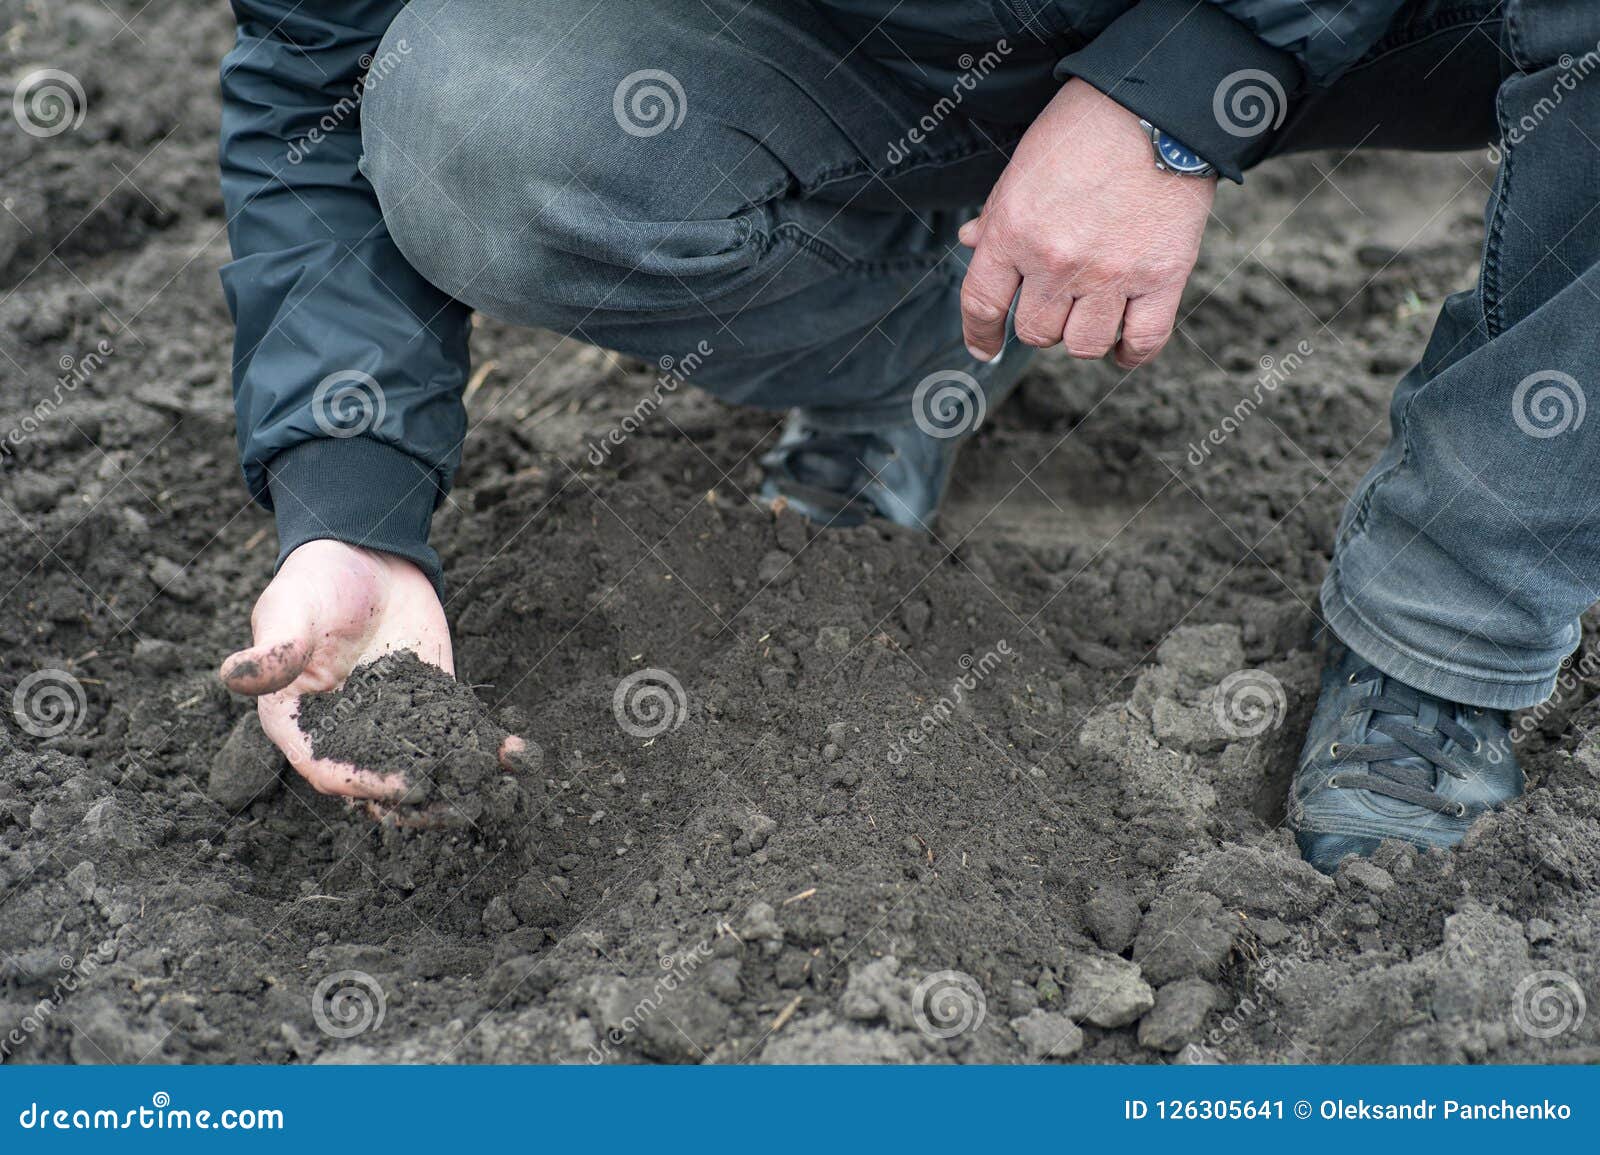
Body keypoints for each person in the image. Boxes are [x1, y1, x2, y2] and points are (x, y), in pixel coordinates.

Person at [215, 0, 1595, 873]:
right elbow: (317, 69)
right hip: (884, 45)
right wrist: (347, 507)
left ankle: (1451, 620)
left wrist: (1187, 78)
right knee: (481, 118)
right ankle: (945, 323)